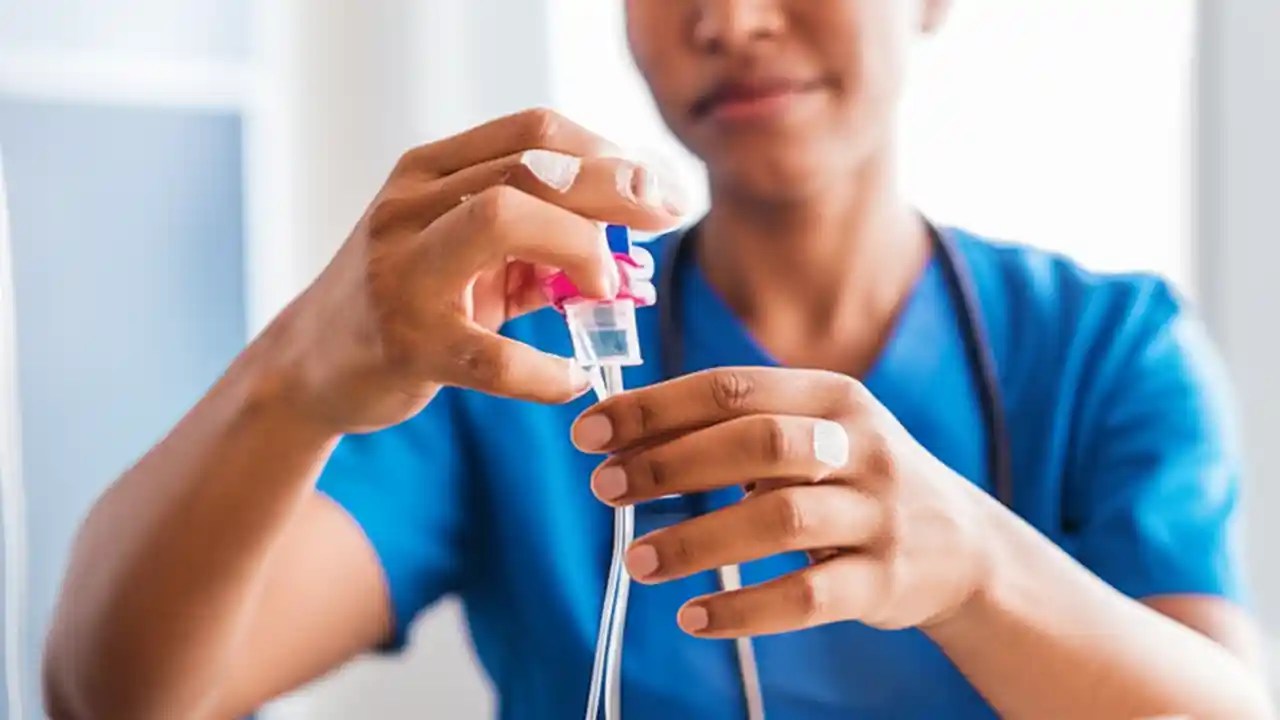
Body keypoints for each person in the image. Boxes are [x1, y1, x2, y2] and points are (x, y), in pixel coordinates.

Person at [41, 1, 1274, 718]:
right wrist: (301, 371)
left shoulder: (1104, 350)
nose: (727, 21)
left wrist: (976, 577)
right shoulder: (508, 367)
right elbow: (118, 695)